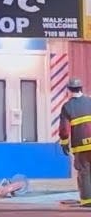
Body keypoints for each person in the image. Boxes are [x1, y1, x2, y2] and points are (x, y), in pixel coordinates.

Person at [59, 77, 91, 207]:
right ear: (81, 88)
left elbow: (64, 129)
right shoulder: (90, 101)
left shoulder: (67, 106)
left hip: (81, 146)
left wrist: (64, 142)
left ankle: (87, 201)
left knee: (84, 172)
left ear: (69, 90)